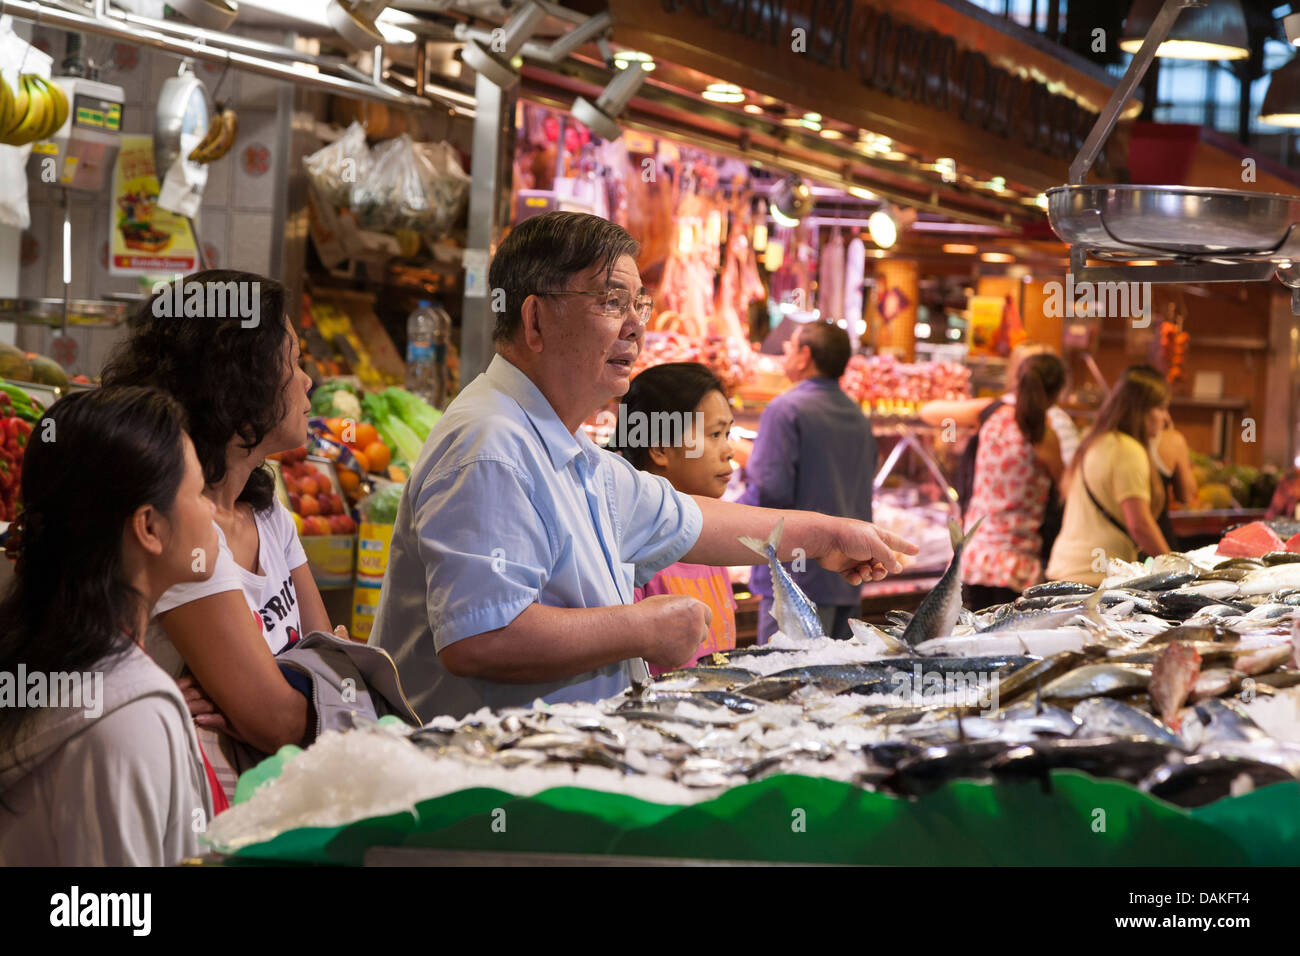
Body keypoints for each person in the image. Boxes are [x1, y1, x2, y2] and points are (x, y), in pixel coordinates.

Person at [370, 212, 915, 718]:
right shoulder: (490, 445)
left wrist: (827, 537)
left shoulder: (566, 446)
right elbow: (480, 638)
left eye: (640, 305)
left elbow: (693, 520)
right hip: (472, 792)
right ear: (534, 320)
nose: (636, 327)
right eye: (611, 302)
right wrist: (641, 628)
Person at [101, 271, 346, 802]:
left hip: (283, 804)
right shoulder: (186, 535)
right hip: (209, 819)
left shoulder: (265, 510)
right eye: (293, 361)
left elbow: (331, 661)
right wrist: (319, 692)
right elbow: (279, 723)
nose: (308, 382)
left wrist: (316, 690)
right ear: (238, 383)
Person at [0, 387, 215, 865]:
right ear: (149, 528)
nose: (213, 510)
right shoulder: (125, 721)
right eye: (200, 493)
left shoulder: (43, 670)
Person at [737, 321, 876, 641]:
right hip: (847, 577)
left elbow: (770, 488)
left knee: (788, 682)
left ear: (805, 356)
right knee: (834, 685)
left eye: (789, 346)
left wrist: (721, 516)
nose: (784, 353)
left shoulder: (785, 409)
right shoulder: (857, 414)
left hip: (795, 583)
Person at [615, 362, 738, 672]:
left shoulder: (710, 543)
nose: (729, 450)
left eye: (728, 433)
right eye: (714, 434)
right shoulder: (630, 549)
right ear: (660, 449)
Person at [1046, 365, 1173, 585]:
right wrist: (1174, 568)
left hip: (1064, 570)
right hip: (1092, 578)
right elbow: (1139, 524)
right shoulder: (1128, 450)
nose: (1166, 418)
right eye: (1161, 408)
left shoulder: (1094, 440)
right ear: (1141, 411)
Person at [961, 353, 1066, 609]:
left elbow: (931, 411)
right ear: (1056, 394)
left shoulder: (991, 416)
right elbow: (1066, 490)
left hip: (975, 554)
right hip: (1016, 562)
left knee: (972, 638)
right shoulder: (1043, 434)